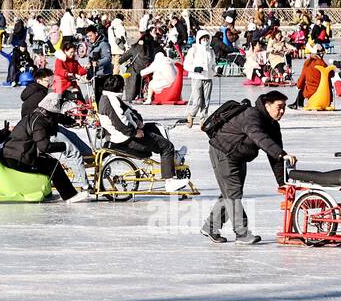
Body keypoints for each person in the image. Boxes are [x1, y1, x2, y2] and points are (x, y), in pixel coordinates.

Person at [202, 90, 295, 244]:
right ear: (267, 105)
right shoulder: (251, 115)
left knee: (231, 192)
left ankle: (210, 227)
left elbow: (275, 156)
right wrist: (281, 154)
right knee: (233, 192)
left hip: (238, 155)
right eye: (279, 107)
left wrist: (282, 182)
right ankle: (242, 233)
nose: (282, 111)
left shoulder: (273, 126)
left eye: (284, 107)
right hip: (222, 151)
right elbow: (259, 137)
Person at [97, 75, 186, 191]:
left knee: (153, 127)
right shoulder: (111, 100)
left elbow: (127, 113)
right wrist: (134, 132)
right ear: (120, 88)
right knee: (167, 146)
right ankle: (170, 181)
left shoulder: (108, 97)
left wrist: (138, 122)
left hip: (121, 135)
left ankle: (173, 158)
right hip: (124, 138)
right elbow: (119, 122)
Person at [2, 91, 87, 202]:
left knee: (48, 160)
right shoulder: (40, 122)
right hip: (18, 159)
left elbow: (58, 119)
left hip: (13, 155)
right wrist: (62, 146)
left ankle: (45, 190)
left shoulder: (36, 115)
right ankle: (69, 196)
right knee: (52, 164)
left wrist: (73, 121)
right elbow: (44, 147)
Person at [185, 31, 216, 125]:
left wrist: (217, 69)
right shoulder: (193, 50)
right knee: (197, 100)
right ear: (199, 39)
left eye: (207, 39)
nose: (205, 41)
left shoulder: (211, 51)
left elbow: (213, 64)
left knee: (206, 100)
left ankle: (203, 120)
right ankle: (191, 115)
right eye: (203, 39)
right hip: (197, 77)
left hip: (208, 77)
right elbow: (186, 65)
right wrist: (195, 68)